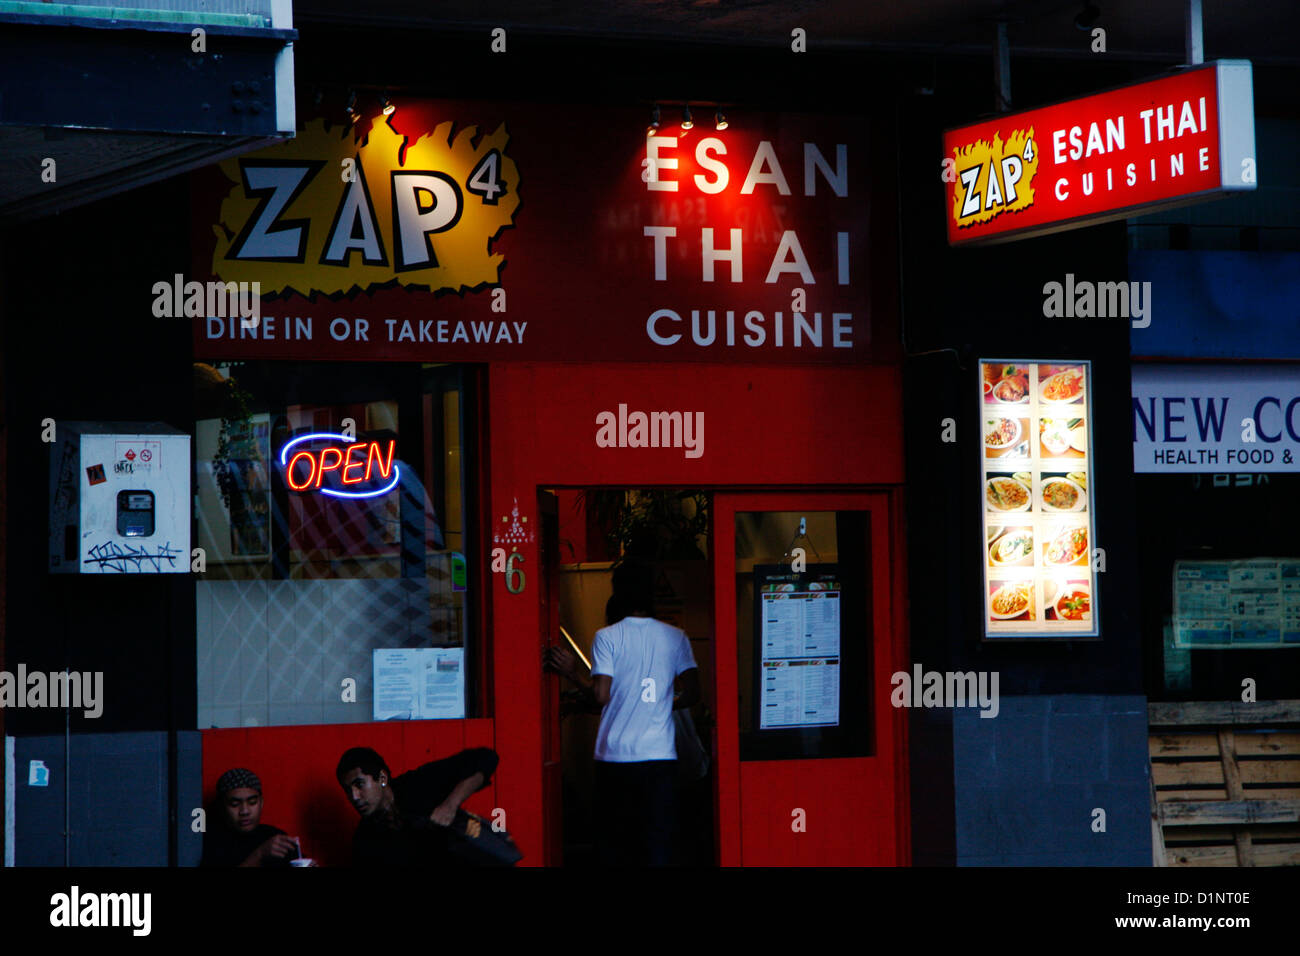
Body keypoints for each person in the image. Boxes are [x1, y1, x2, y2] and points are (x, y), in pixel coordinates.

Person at [545, 562, 701, 866]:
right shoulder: (676, 636)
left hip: (615, 758)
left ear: (617, 592)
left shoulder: (607, 636)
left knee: (614, 844)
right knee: (657, 844)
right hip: (659, 758)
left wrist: (573, 674)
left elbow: (601, 695)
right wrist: (660, 702)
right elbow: (694, 694)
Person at [336, 745, 498, 866]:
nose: (354, 797)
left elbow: (486, 759)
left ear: (382, 778)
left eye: (359, 785)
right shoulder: (364, 840)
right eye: (348, 790)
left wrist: (450, 805)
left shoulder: (418, 785)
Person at [200, 768, 299, 867]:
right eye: (234, 804)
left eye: (252, 802)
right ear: (221, 806)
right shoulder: (211, 843)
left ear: (261, 803)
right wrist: (260, 854)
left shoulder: (274, 837)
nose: (244, 811)